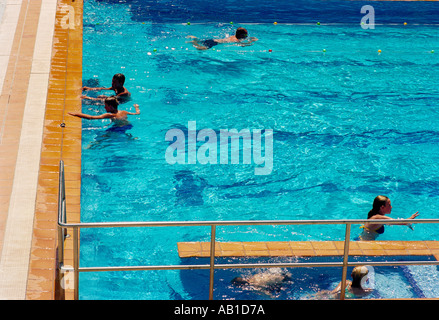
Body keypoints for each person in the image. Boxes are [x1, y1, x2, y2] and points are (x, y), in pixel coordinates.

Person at [68, 97, 140, 127]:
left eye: (106, 106)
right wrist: (136, 107)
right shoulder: (124, 112)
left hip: (119, 128)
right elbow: (137, 113)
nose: (104, 107)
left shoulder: (111, 115)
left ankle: (92, 146)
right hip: (129, 125)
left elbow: (91, 117)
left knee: (104, 137)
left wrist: (76, 114)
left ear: (111, 107)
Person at [309, 266, 374, 300]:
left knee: (324, 292)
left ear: (351, 275)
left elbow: (334, 292)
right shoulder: (367, 291)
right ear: (366, 279)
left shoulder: (345, 283)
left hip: (333, 297)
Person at [187, 27, 258, 50]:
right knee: (201, 49)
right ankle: (193, 42)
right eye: (246, 34)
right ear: (242, 35)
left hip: (213, 40)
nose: (247, 35)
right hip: (214, 43)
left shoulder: (234, 36)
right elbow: (243, 45)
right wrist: (251, 41)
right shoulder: (236, 40)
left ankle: (194, 38)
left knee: (201, 41)